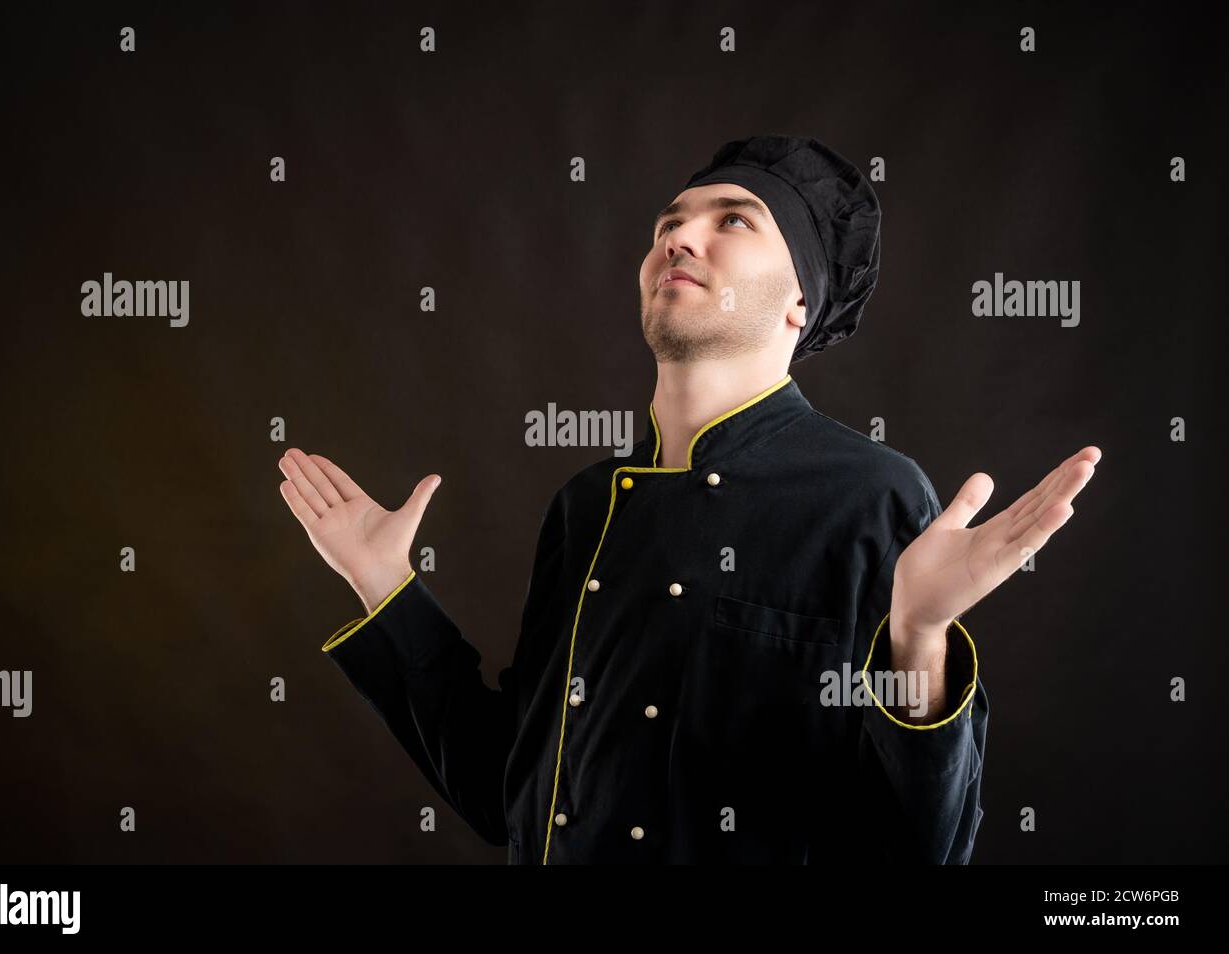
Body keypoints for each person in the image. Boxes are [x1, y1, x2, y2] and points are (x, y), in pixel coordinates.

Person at [277, 135, 1101, 864]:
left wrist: (918, 640)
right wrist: (386, 586)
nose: (678, 235)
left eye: (733, 220)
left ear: (801, 301)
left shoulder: (871, 496)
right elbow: (504, 793)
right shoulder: (583, 506)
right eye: (668, 222)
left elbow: (924, 847)